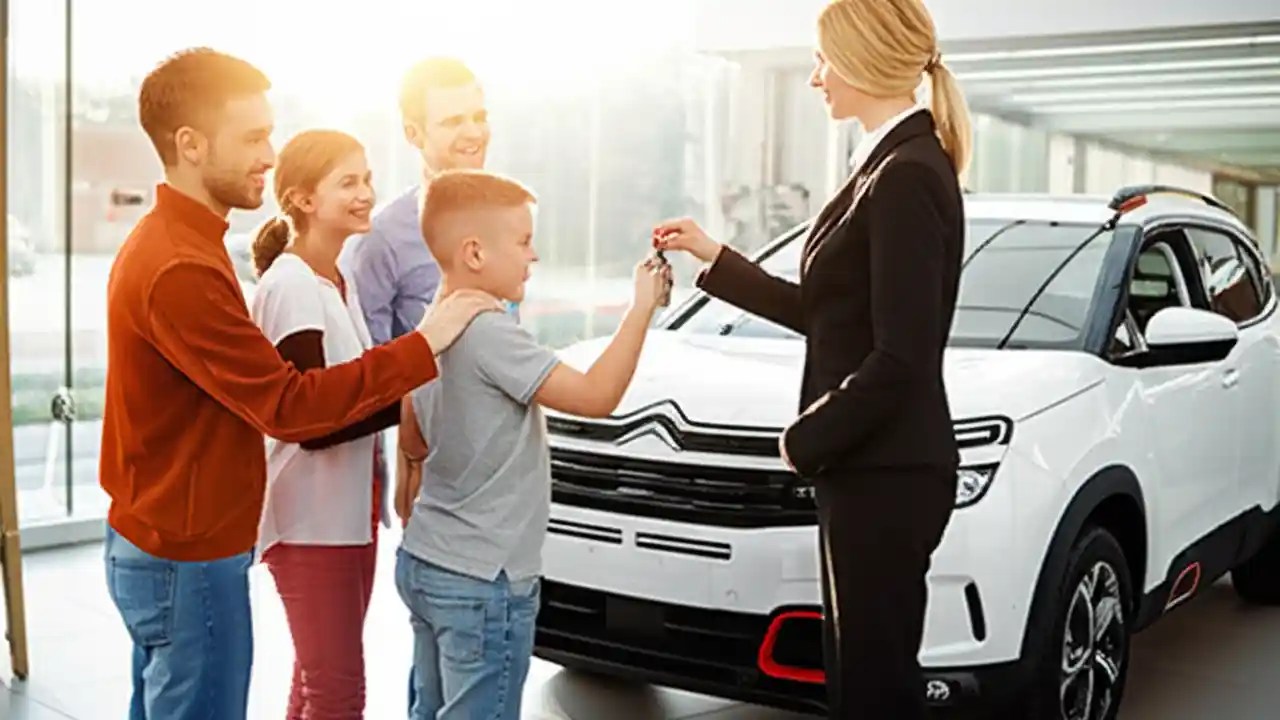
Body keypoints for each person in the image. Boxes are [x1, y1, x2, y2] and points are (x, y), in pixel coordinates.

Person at [100, 49, 498, 720]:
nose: (269, 154)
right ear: (191, 145)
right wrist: (425, 344)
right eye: (253, 137)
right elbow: (289, 405)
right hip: (186, 558)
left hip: (168, 545)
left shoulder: (182, 244)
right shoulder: (181, 266)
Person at [653, 1, 972, 717]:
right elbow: (827, 314)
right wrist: (713, 257)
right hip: (872, 472)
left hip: (886, 474)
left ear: (862, 59)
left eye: (823, 60)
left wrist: (806, 437)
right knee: (861, 682)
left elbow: (903, 357)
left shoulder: (907, 174)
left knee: (874, 692)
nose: (815, 78)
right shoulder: (888, 163)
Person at [394, 169, 669, 720]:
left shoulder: (432, 323)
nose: (534, 256)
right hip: (483, 579)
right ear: (475, 253)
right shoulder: (489, 331)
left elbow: (413, 438)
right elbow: (596, 396)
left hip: (428, 561)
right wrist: (641, 308)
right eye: (523, 241)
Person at [246, 129, 398, 719]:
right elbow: (312, 422)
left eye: (367, 179)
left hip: (348, 514)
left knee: (314, 685)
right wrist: (409, 396)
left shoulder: (336, 280)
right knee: (338, 695)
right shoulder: (290, 284)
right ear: (303, 199)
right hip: (310, 521)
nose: (366, 194)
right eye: (348, 182)